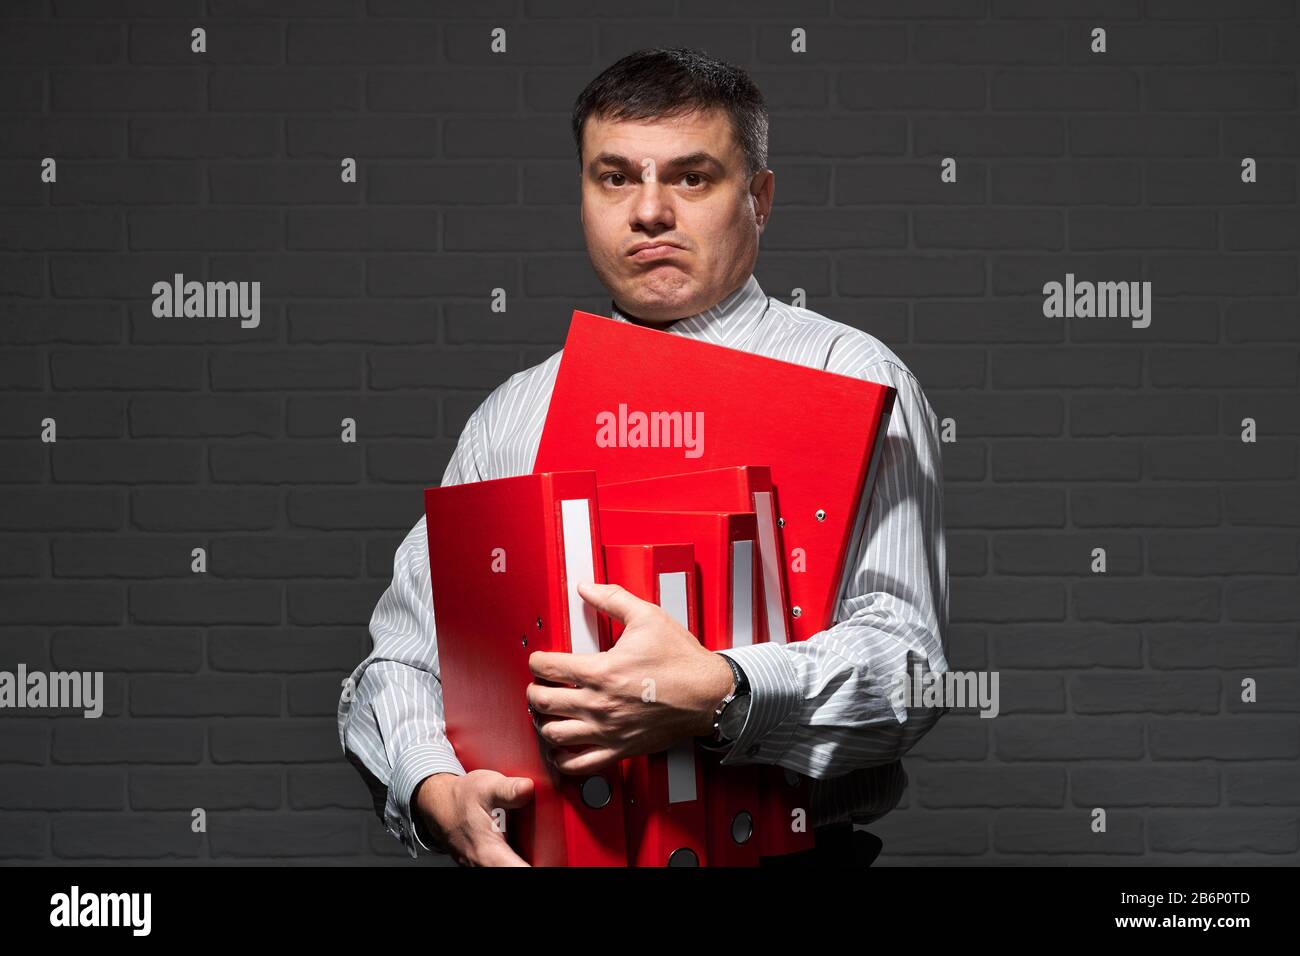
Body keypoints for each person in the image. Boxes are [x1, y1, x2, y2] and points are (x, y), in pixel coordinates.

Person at [338, 47, 949, 868]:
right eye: (615, 177)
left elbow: (909, 666)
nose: (650, 211)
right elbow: (402, 660)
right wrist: (433, 788)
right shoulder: (512, 415)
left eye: (693, 178)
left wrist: (720, 691)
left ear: (760, 199)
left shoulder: (852, 378)